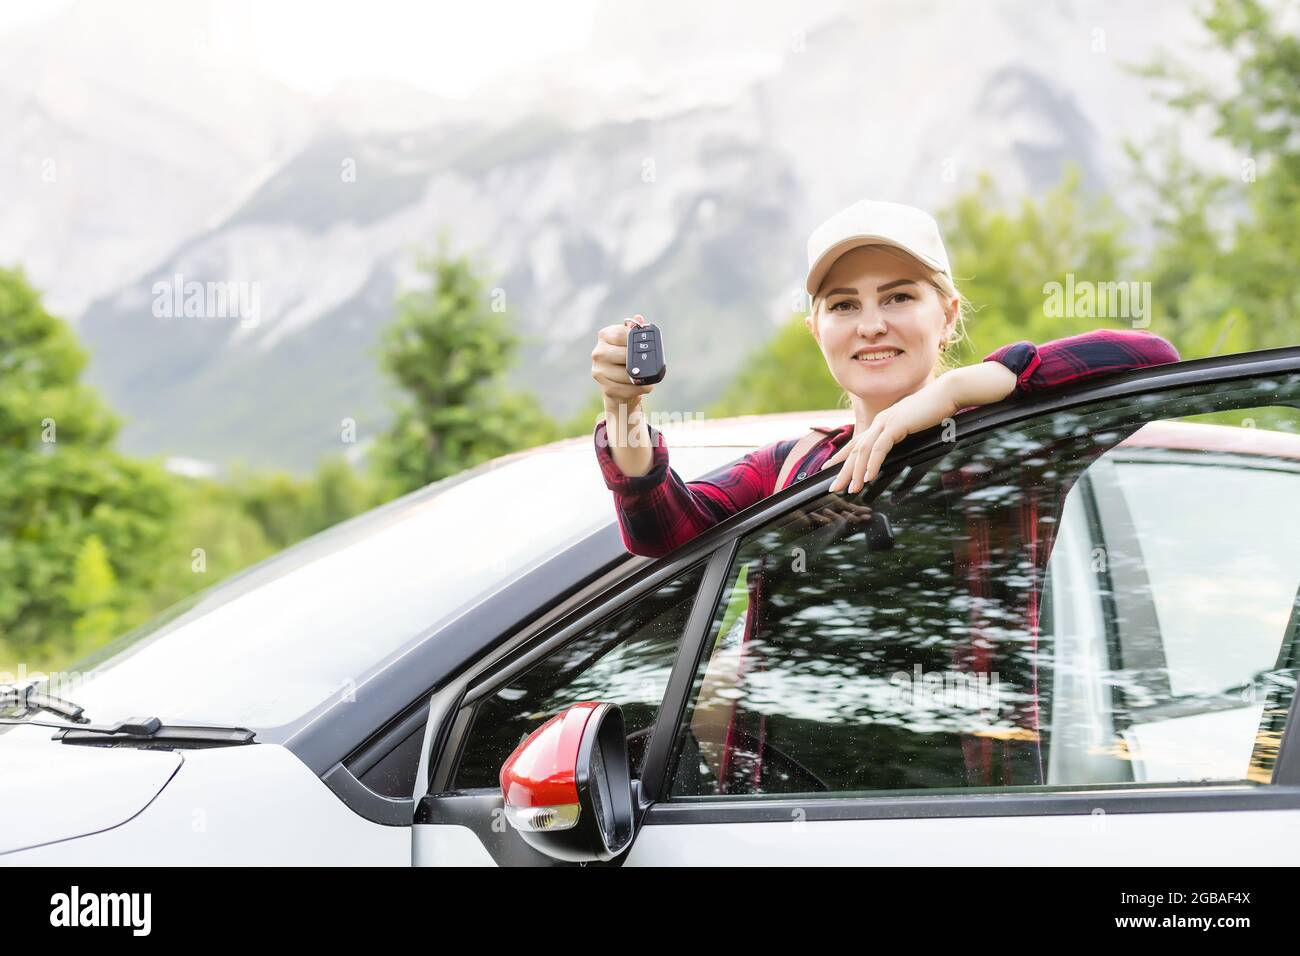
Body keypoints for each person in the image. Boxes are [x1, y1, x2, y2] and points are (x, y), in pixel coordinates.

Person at [589, 199, 1179, 558]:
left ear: (947, 316)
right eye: (844, 306)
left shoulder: (1015, 436)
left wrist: (954, 392)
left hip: (978, 763)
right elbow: (664, 531)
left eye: (898, 297)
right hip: (786, 765)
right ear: (816, 329)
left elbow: (1151, 357)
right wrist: (623, 411)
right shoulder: (793, 466)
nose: (870, 326)